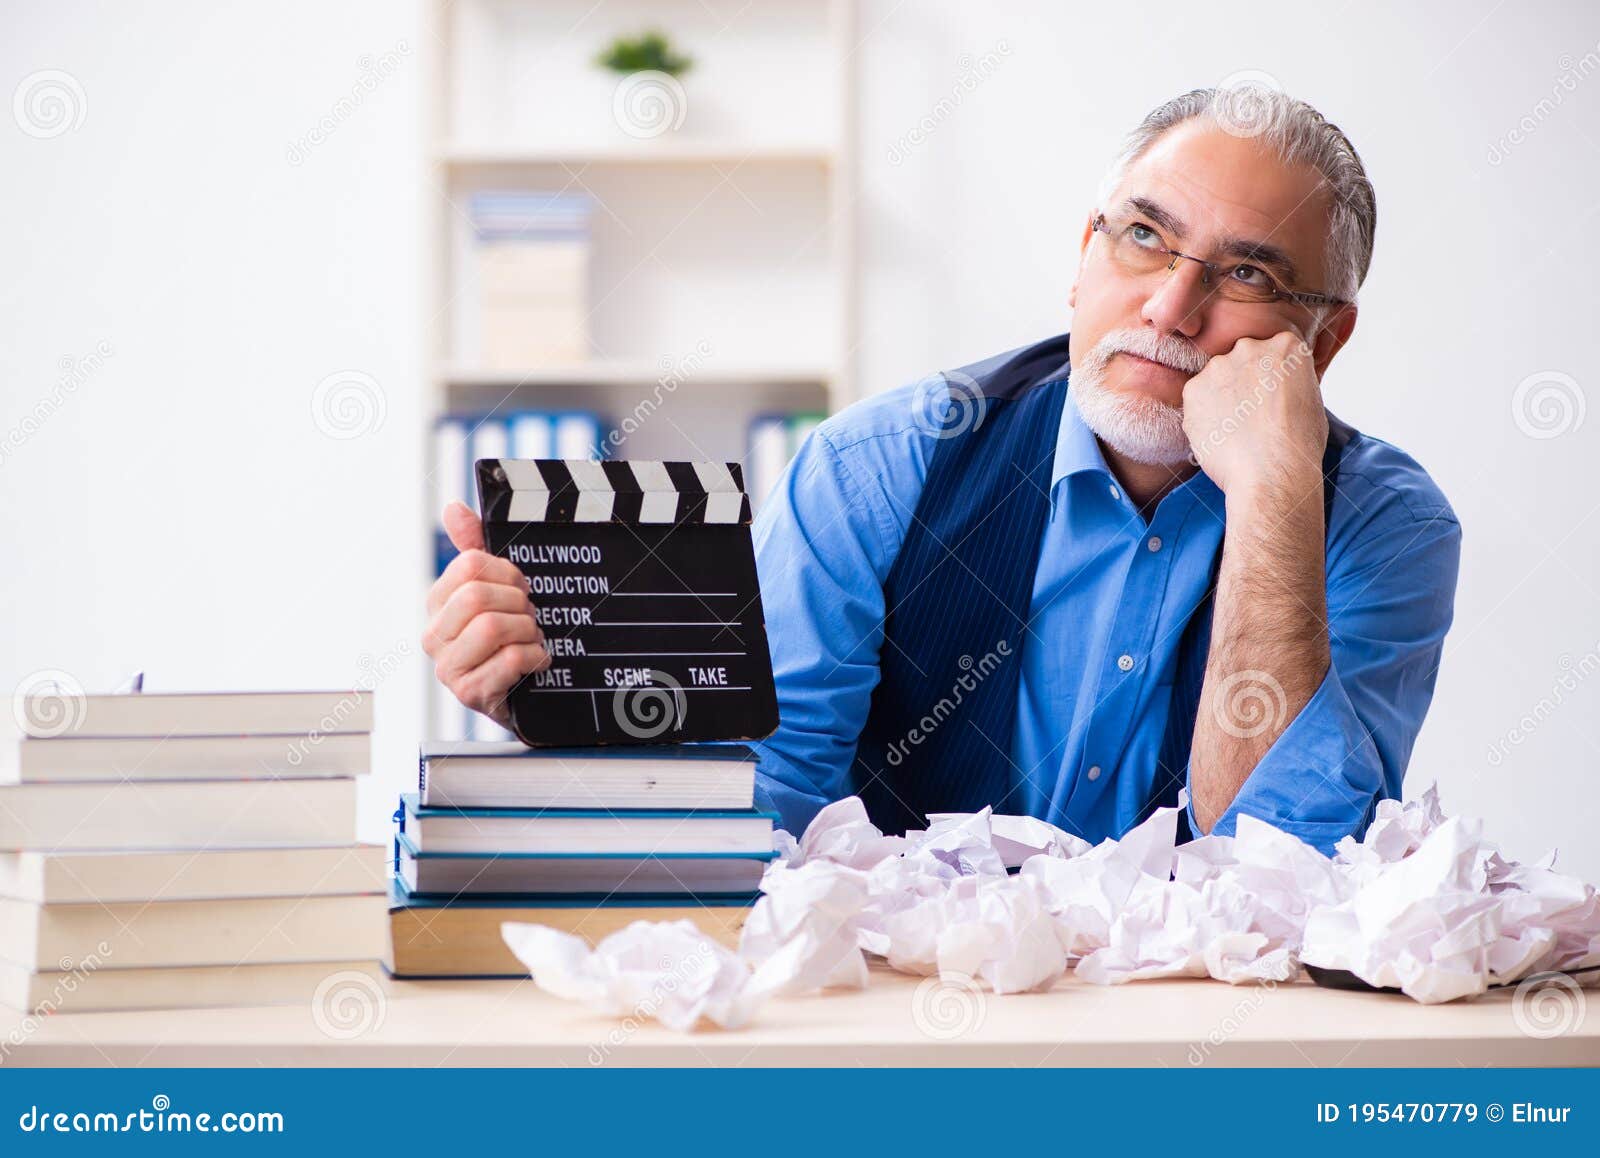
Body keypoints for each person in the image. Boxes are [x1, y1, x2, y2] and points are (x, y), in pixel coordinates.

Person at [421, 87, 1461, 855]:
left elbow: (1293, 871)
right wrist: (559, 714)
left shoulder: (1379, 525)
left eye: (1246, 273)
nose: (1169, 309)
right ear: (1083, 255)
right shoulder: (877, 469)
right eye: (1144, 237)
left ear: (1320, 346)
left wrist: (1277, 497)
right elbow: (764, 817)